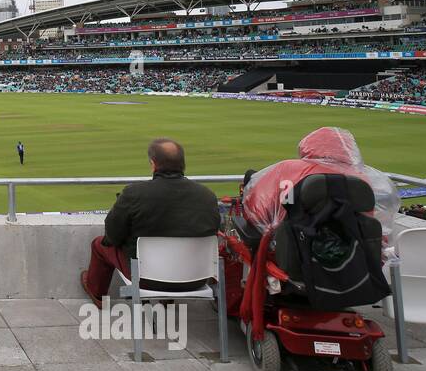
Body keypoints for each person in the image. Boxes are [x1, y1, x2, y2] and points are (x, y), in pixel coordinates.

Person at [81, 138, 220, 308]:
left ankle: (97, 294)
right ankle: (167, 298)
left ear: (153, 164)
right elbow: (212, 231)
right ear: (183, 164)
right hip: (196, 279)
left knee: (99, 244)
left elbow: (112, 236)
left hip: (146, 279)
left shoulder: (134, 194)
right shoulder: (208, 196)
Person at [242, 127, 398, 240]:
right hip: (353, 260)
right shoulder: (364, 179)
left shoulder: (287, 168)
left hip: (293, 252)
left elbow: (255, 208)